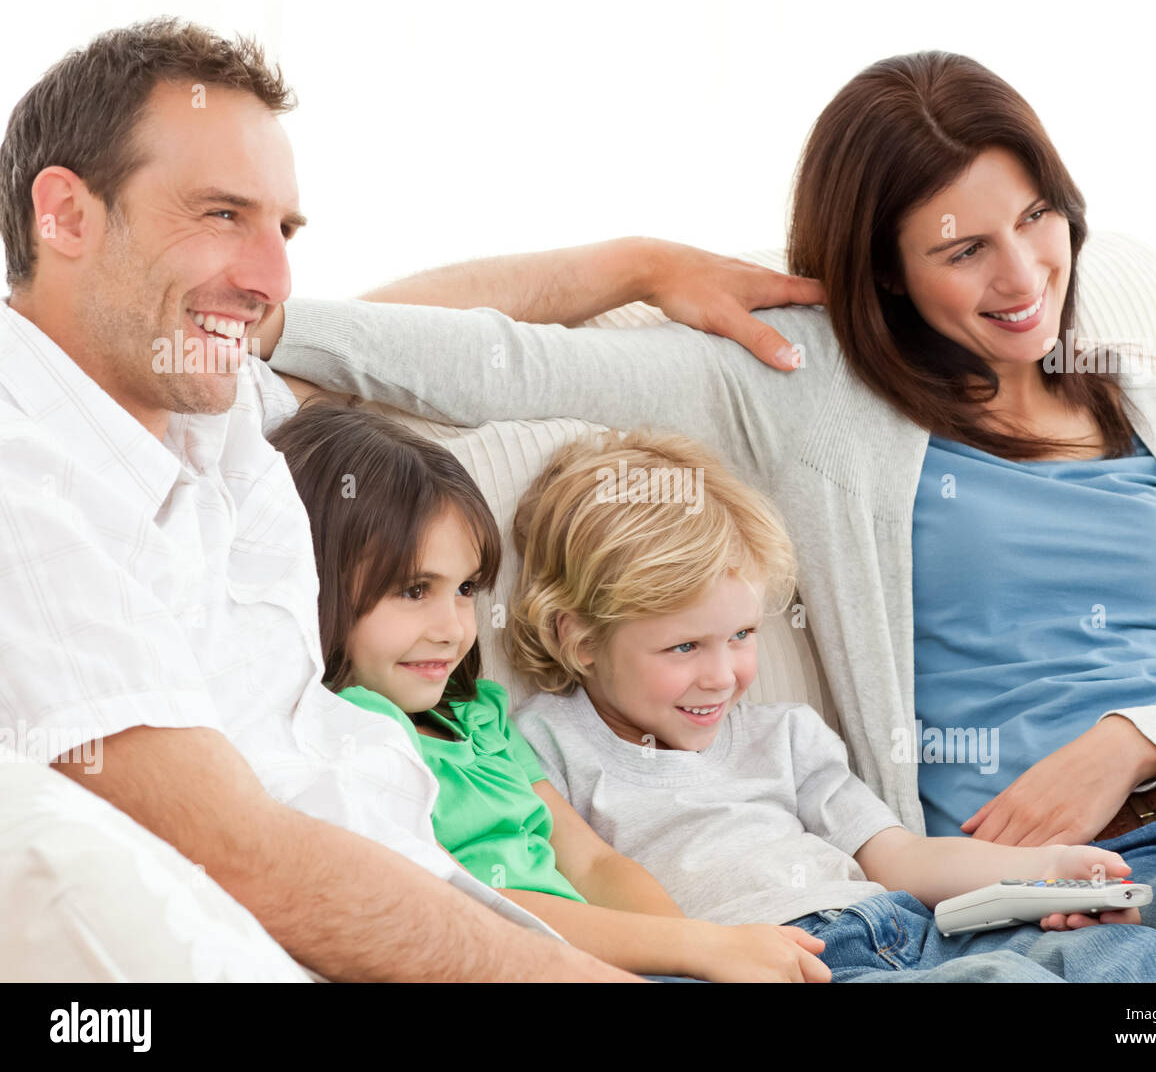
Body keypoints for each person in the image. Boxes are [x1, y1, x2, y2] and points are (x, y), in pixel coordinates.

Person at [262, 51, 1156, 980]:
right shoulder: (806, 390)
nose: (1024, 275)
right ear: (885, 270)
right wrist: (633, 264)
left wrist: (1135, 739)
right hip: (1065, 871)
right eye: (963, 248)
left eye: (1036, 217)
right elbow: (478, 360)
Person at [0, 17, 821, 981]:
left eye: (284, 228)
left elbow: (405, 324)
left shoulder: (200, 408)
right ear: (64, 214)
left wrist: (639, 266)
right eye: (222, 214)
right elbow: (242, 862)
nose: (272, 281)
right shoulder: (31, 483)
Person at [504, 426, 1156, 982]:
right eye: (684, 648)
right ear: (579, 639)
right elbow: (581, 877)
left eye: (741, 635)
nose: (725, 676)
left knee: (1120, 952)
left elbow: (899, 857)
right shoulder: (542, 743)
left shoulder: (786, 735)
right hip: (779, 963)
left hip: (911, 927)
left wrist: (1045, 871)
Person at [265, 400, 830, 982]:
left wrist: (701, 946)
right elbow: (472, 910)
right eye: (414, 590)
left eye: (464, 589)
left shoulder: (482, 718)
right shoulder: (343, 736)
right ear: (311, 578)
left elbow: (592, 865)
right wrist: (692, 950)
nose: (453, 627)